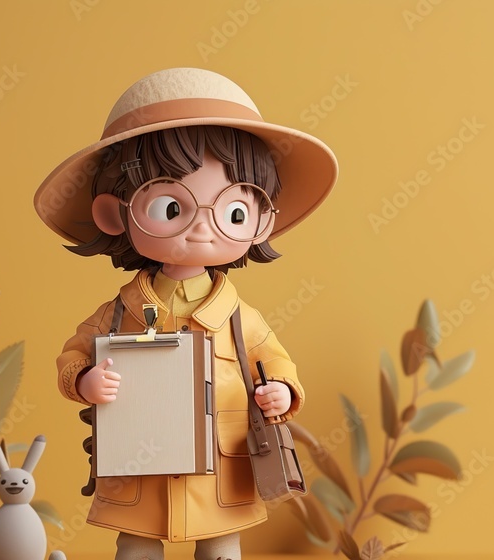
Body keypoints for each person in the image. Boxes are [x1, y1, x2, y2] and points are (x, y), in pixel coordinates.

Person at [33, 68, 338, 560]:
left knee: (220, 547)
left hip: (221, 471)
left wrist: (282, 391)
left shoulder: (241, 319)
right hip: (140, 468)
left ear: (260, 221)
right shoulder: (118, 313)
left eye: (232, 212)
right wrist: (85, 381)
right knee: (136, 546)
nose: (201, 229)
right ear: (115, 214)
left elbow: (275, 361)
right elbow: (73, 354)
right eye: (171, 208)